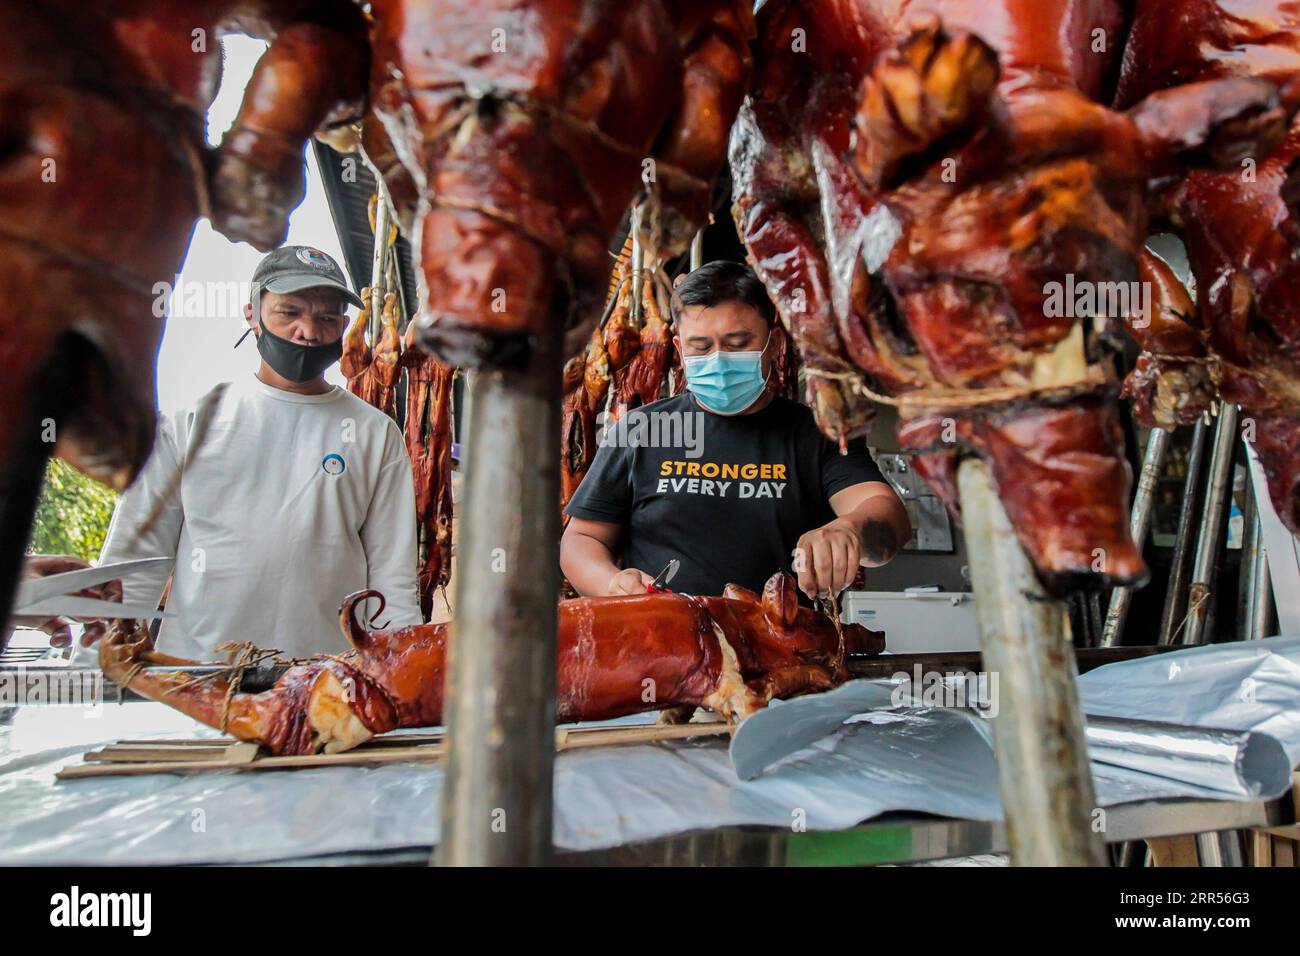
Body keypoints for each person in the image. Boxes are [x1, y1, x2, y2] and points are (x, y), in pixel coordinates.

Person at [82, 245, 422, 659]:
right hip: (197, 681)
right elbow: (136, 563)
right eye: (289, 312)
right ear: (252, 314)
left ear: (345, 325)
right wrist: (93, 674)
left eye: (327, 318)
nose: (308, 332)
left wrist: (403, 682)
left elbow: (392, 579)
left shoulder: (376, 434)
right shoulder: (193, 419)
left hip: (326, 687)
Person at [561, 260, 910, 600]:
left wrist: (849, 530)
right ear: (680, 350)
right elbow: (581, 540)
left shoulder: (819, 432)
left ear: (774, 344)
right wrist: (612, 584)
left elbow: (885, 513)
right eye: (701, 346)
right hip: (661, 645)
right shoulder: (643, 429)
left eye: (738, 343)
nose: (718, 359)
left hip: (783, 649)